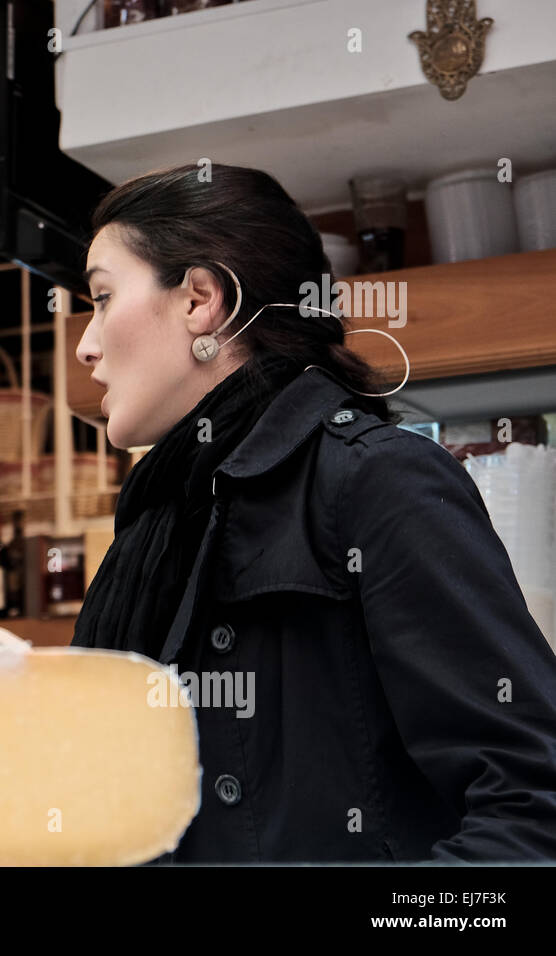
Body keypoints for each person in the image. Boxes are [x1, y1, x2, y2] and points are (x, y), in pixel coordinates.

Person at [73, 162, 556, 862]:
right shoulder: (152, 531)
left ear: (201, 300)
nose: (86, 345)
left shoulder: (375, 480)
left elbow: (535, 806)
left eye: (102, 297)